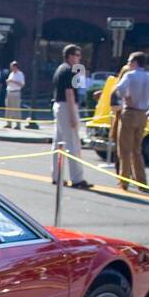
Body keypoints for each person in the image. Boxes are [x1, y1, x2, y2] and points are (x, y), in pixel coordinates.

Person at [113, 51, 149, 191]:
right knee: (137, 150)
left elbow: (119, 89)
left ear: (134, 62)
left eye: (129, 61)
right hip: (142, 114)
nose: (127, 64)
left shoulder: (130, 75)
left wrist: (126, 97)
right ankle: (141, 181)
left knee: (125, 150)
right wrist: (147, 113)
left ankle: (124, 181)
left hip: (130, 112)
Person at [50, 45, 91, 189]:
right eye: (77, 55)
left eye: (79, 55)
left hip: (59, 106)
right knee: (73, 144)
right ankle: (77, 179)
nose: (79, 58)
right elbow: (70, 93)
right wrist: (74, 116)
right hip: (68, 106)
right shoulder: (69, 70)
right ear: (69, 56)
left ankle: (56, 176)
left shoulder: (61, 69)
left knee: (58, 143)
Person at [4, 60, 25, 128]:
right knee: (8, 108)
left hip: (16, 92)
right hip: (9, 91)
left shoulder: (20, 74)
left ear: (15, 67)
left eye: (12, 67)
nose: (11, 68)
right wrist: (8, 82)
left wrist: (13, 81)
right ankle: (8, 123)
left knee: (16, 108)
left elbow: (21, 84)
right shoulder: (11, 74)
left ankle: (18, 124)